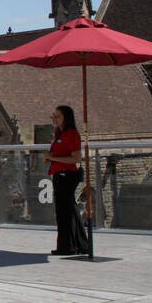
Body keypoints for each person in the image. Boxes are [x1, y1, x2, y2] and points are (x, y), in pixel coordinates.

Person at [46, 104, 89, 256]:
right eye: (54, 116)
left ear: (66, 118)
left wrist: (51, 157)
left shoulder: (71, 134)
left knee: (65, 211)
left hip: (67, 175)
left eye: (58, 116)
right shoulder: (59, 133)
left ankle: (67, 246)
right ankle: (79, 244)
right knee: (68, 210)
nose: (55, 119)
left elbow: (76, 158)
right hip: (60, 174)